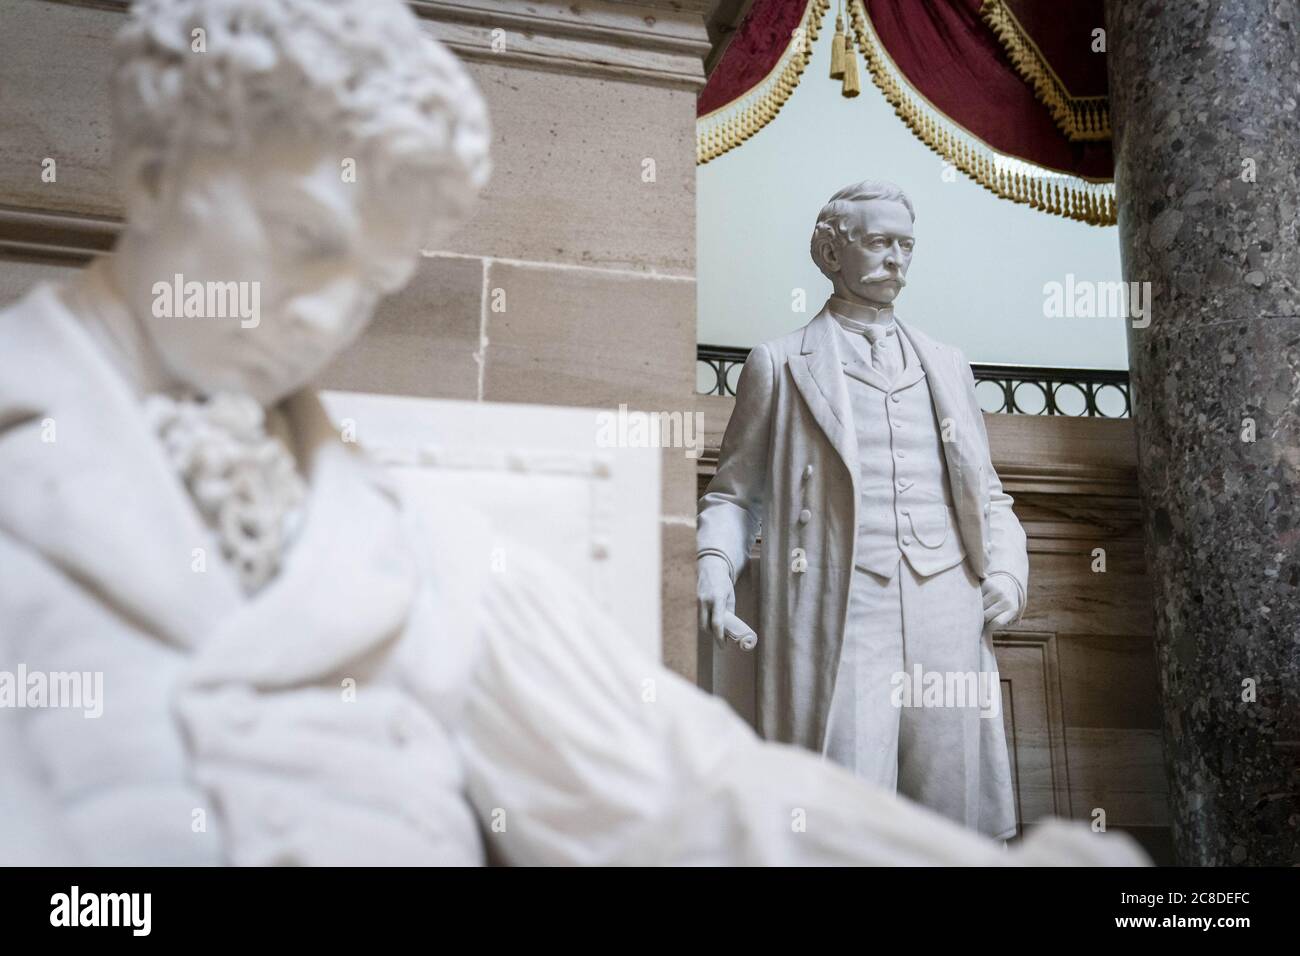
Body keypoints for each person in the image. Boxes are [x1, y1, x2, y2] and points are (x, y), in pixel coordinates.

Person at [0, 0, 1143, 866]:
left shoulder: (413, 541)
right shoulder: (23, 442)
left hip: (934, 599)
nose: (326, 314)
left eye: (375, 278)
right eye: (303, 237)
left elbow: (680, 781)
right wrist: (713, 559)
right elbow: (734, 489)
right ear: (156, 172)